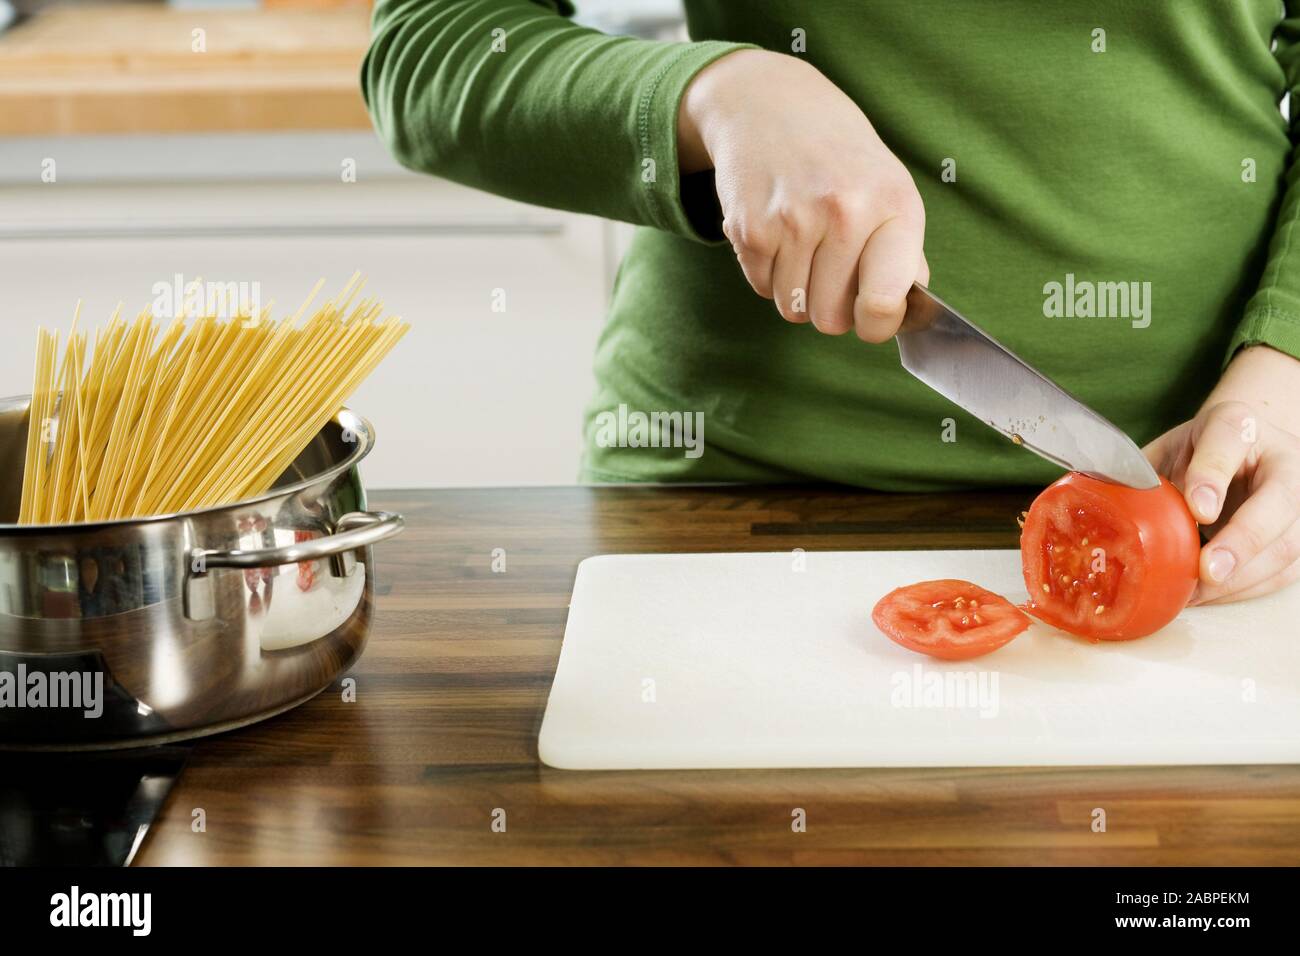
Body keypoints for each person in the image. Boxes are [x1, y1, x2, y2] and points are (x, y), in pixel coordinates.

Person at [362, 1, 1300, 606]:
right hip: (731, 497)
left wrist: (1286, 355)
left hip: (1219, 502)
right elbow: (431, 45)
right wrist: (713, 94)